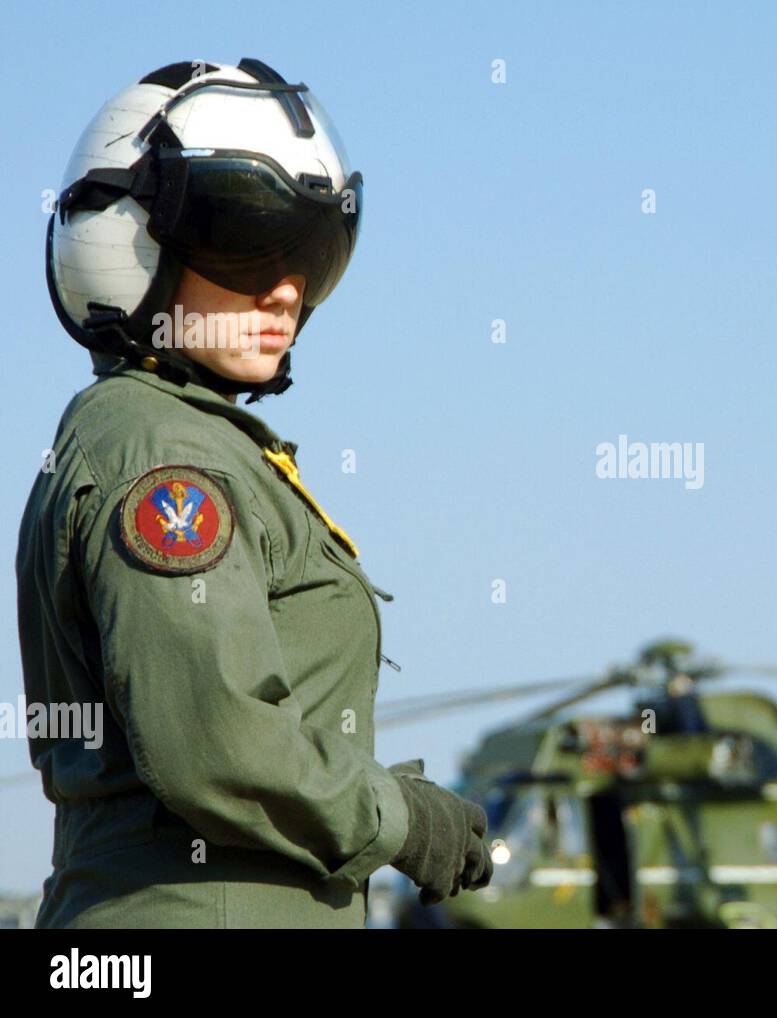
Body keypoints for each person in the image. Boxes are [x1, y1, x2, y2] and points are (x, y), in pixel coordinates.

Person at [16, 58, 491, 928]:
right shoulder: (163, 453)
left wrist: (364, 793)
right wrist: (397, 819)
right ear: (133, 242)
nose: (285, 289)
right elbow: (216, 741)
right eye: (245, 246)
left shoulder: (184, 441)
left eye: (307, 254)